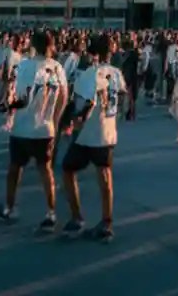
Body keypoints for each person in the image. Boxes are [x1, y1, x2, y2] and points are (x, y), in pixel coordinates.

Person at [0, 30, 68, 231]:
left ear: (33, 46)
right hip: (45, 128)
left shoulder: (25, 66)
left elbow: (20, 95)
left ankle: (10, 206)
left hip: (22, 126)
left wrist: (10, 107)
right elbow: (63, 96)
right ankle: (51, 212)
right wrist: (55, 118)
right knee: (45, 170)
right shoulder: (57, 68)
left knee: (15, 168)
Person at [59, 34, 124, 242]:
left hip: (89, 132)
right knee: (105, 174)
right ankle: (107, 222)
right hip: (108, 129)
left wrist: (74, 121)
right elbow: (122, 95)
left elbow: (86, 103)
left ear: (91, 53)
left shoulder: (89, 75)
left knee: (68, 169)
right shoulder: (116, 73)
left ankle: (77, 217)